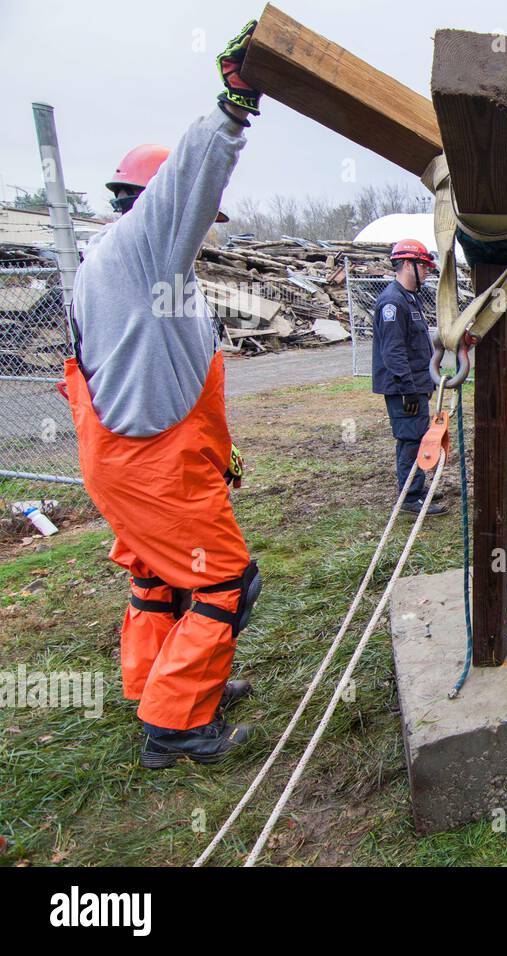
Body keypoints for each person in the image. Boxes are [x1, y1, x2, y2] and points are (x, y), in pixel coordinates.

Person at [65, 21, 264, 767]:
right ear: (152, 205)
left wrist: (217, 453)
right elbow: (191, 177)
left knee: (158, 574)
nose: (202, 231)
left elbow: (170, 373)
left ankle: (154, 683)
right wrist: (233, 107)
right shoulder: (141, 247)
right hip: (151, 462)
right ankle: (178, 721)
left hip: (130, 455)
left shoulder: (111, 271)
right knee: (222, 581)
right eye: (196, 219)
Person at [371, 239, 446, 517]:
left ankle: (415, 485)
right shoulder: (392, 302)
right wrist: (408, 390)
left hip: (415, 385)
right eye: (423, 266)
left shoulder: (408, 298)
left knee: (417, 436)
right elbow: (393, 352)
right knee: (410, 439)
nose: (426, 272)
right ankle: (410, 498)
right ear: (406, 264)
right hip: (405, 388)